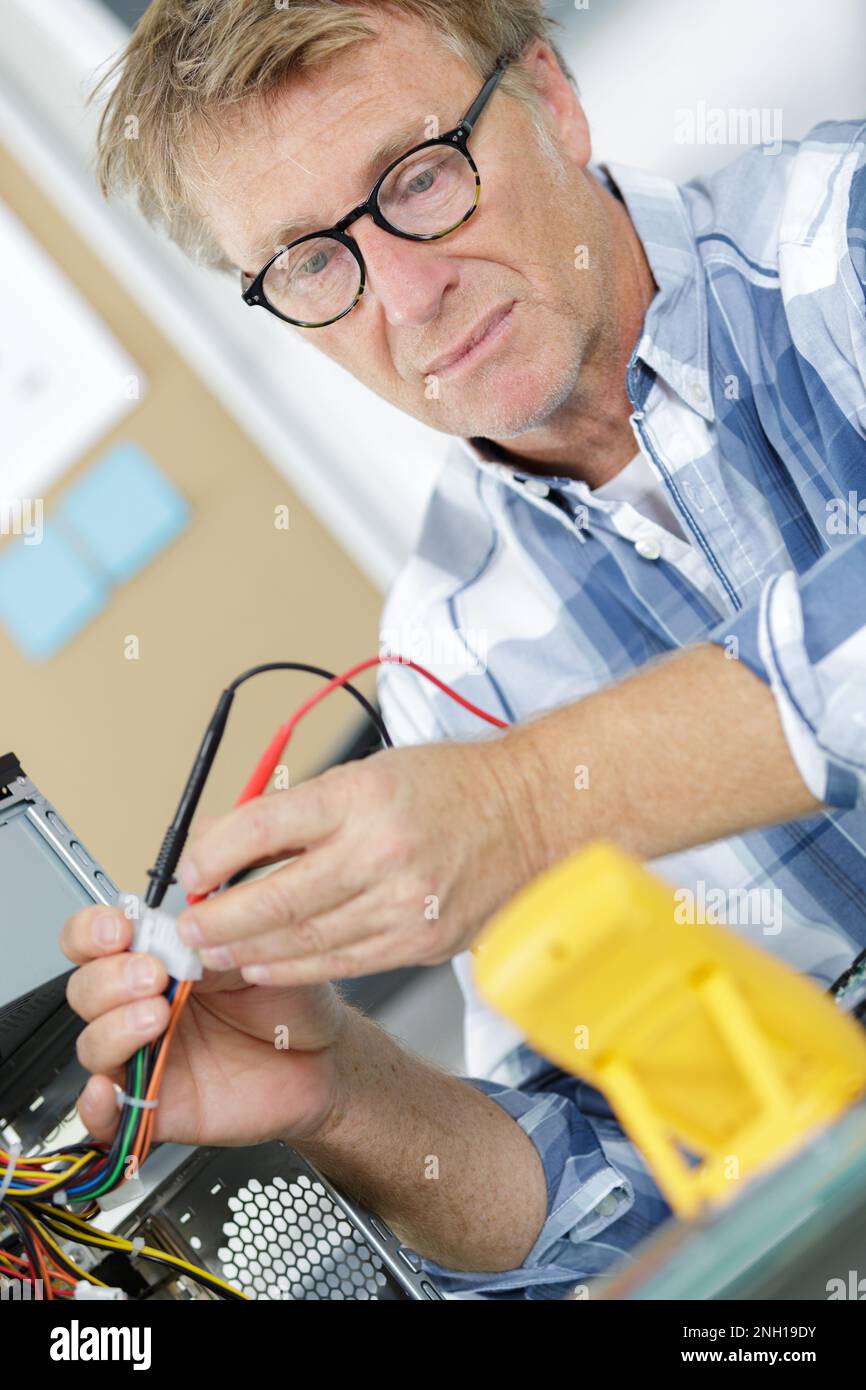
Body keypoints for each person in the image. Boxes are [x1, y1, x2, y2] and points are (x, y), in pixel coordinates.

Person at [62, 0, 866, 1298]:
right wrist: (340, 1096)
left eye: (418, 180)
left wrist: (526, 798)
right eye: (311, 264)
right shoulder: (454, 649)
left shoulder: (842, 234)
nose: (405, 295)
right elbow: (630, 1195)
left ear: (548, 98)